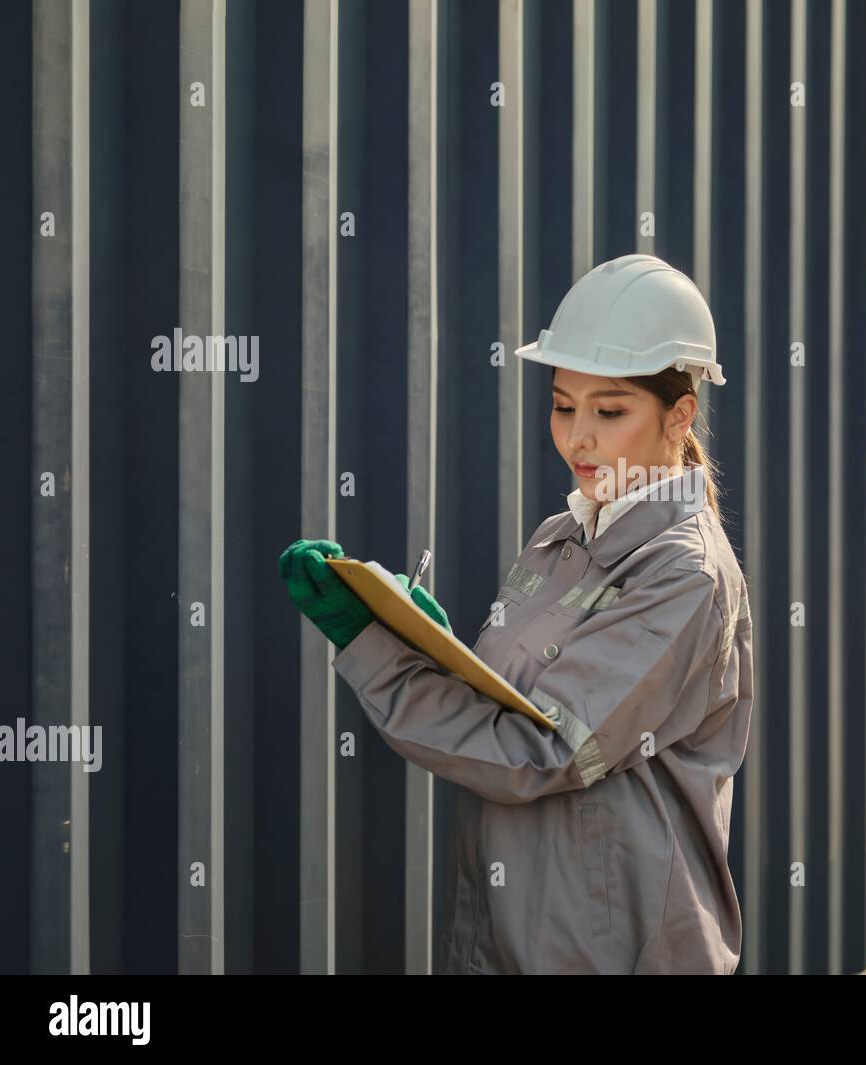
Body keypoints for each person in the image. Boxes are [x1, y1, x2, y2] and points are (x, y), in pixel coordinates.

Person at [279, 253, 754, 974]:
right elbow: (509, 705)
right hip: (509, 931)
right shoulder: (561, 537)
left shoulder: (684, 575)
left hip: (616, 952)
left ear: (679, 414)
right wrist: (418, 635)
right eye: (564, 404)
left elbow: (543, 751)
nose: (579, 438)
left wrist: (371, 647)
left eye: (610, 410)